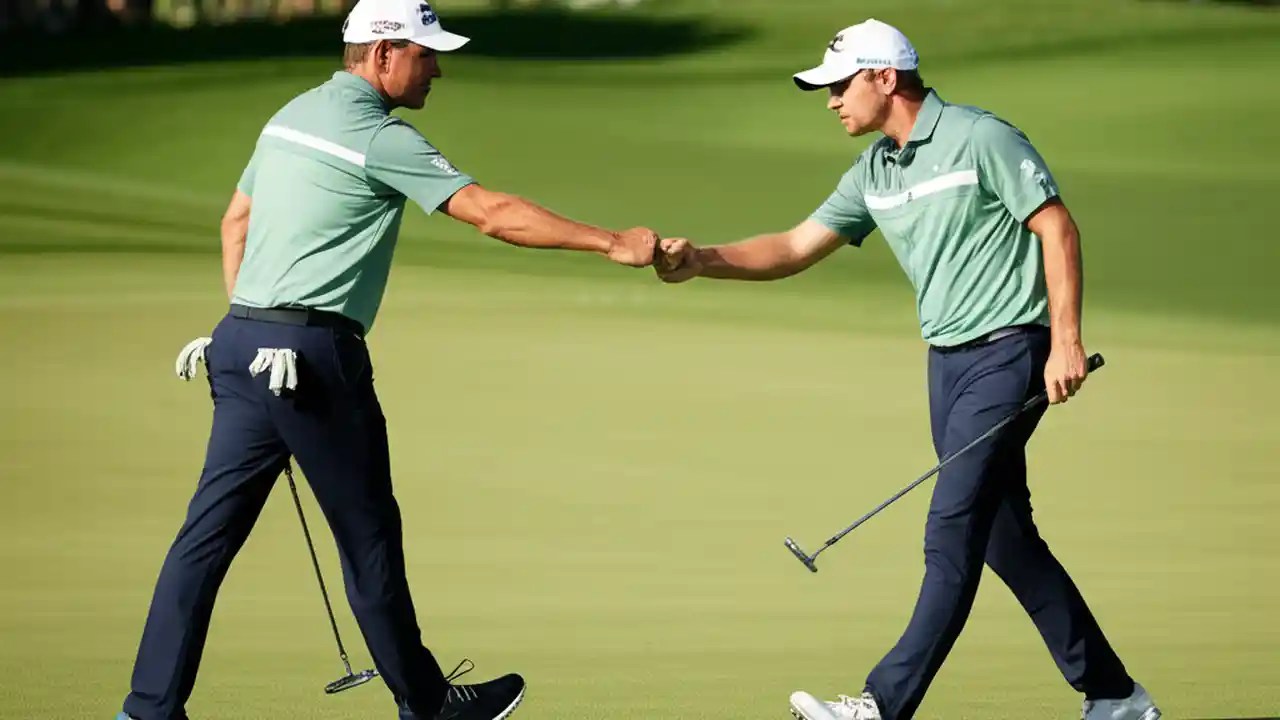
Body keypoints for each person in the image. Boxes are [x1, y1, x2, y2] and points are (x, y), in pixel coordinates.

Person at [115, 1, 658, 718]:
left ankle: (147, 710)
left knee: (203, 540)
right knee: (368, 540)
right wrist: (613, 242)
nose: (437, 68)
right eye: (425, 54)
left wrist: (256, 319)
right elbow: (493, 213)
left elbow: (235, 222)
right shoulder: (379, 137)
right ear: (380, 54)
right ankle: (429, 704)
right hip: (313, 357)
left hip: (240, 341)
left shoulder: (289, 115)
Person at [653, 18, 1161, 720]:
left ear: (883, 78)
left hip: (1011, 351)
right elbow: (795, 246)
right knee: (1007, 540)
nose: (831, 101)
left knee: (950, 531)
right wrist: (702, 260)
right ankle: (1116, 696)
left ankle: (881, 704)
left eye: (839, 86)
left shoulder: (980, 138)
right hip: (946, 366)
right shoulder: (874, 171)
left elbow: (1055, 226)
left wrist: (1066, 340)